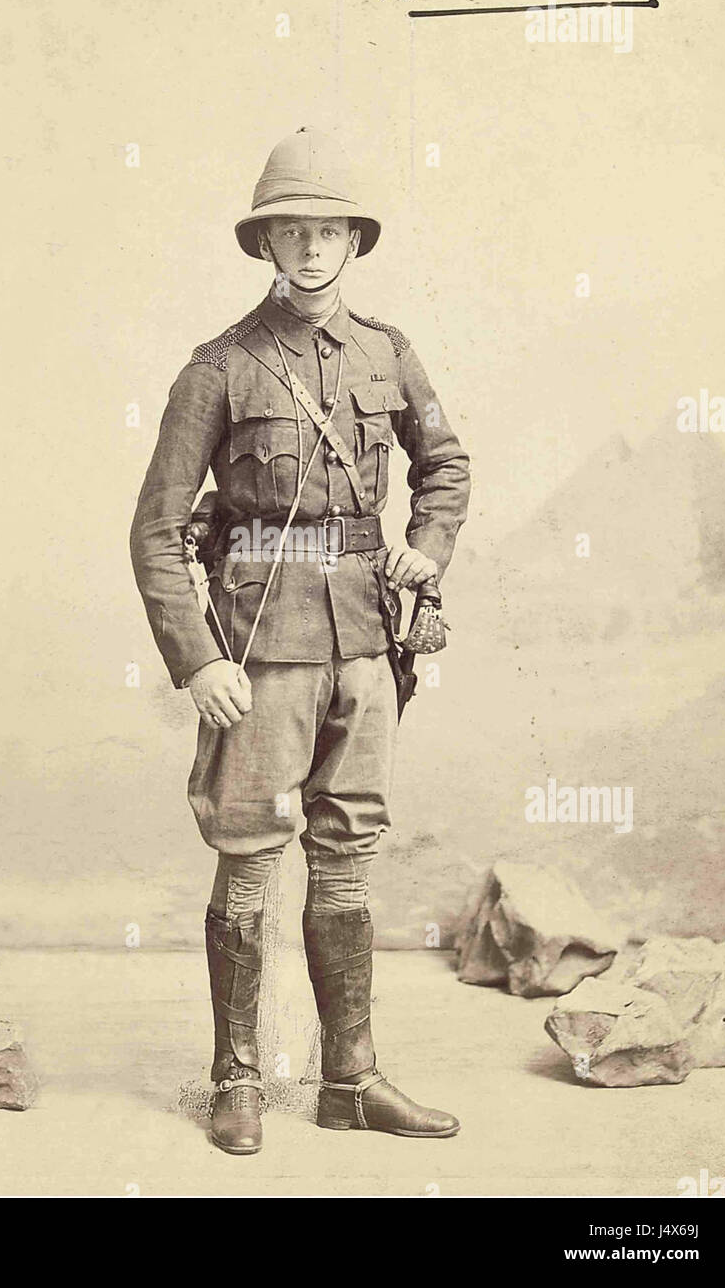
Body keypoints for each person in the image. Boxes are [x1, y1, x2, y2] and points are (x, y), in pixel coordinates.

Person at [130, 127, 471, 1154]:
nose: (312, 249)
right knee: (247, 861)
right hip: (260, 650)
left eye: (329, 230)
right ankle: (237, 1077)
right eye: (293, 231)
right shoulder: (218, 370)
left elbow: (445, 464)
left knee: (347, 858)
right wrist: (198, 659)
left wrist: (425, 547)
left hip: (367, 645)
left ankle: (348, 1080)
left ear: (353, 241)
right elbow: (155, 526)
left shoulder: (389, 352)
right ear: (266, 245)